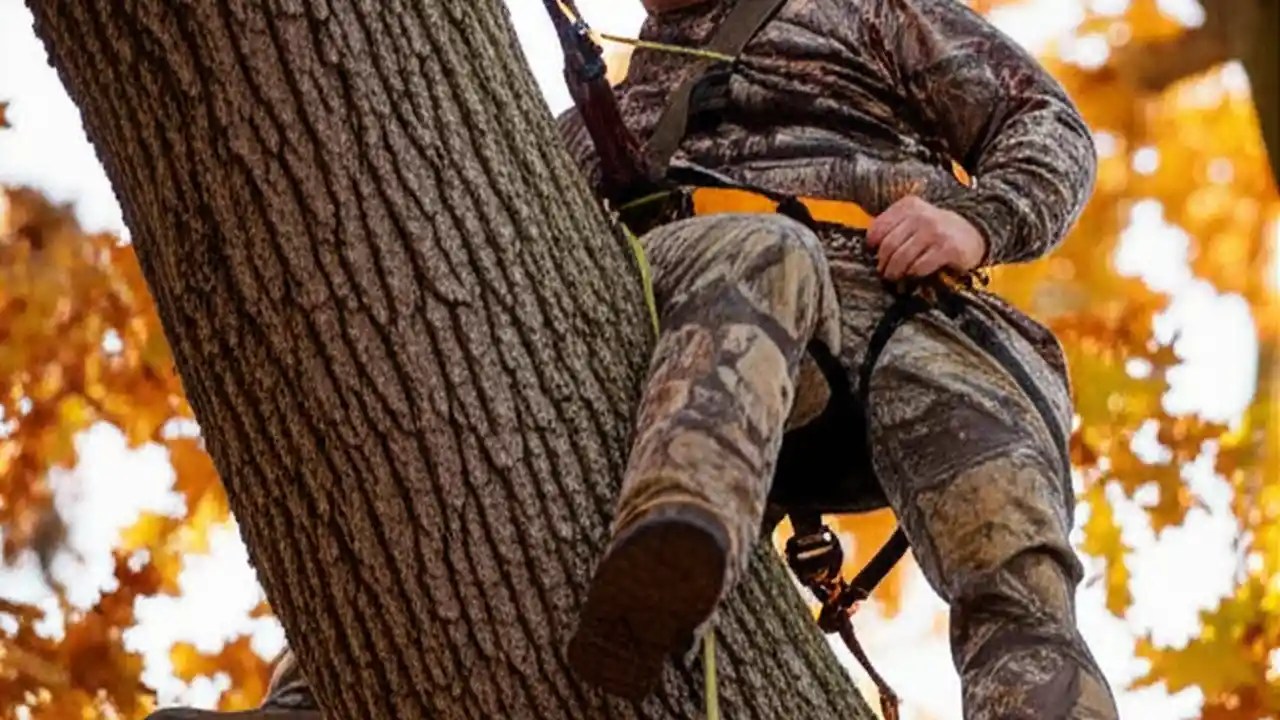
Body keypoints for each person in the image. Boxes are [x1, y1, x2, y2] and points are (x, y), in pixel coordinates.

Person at [156, 1, 1118, 718]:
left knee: (1016, 571)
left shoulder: (860, 11)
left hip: (916, 313)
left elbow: (1043, 125)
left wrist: (973, 221)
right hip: (701, 324)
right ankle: (663, 548)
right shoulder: (583, 128)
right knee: (463, 462)